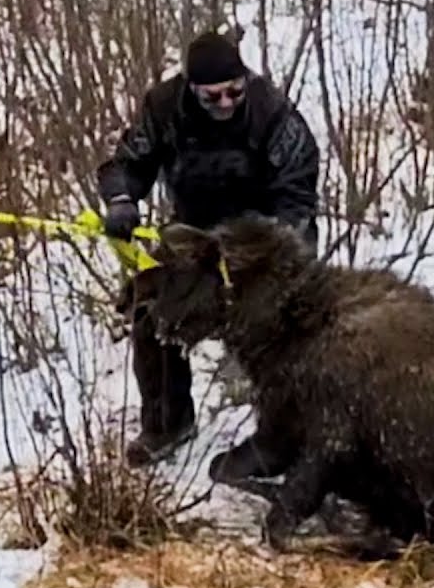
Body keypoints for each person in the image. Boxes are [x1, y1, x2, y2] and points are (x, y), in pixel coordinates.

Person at [96, 29, 321, 467]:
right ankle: (167, 423)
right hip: (193, 237)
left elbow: (298, 196)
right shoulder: (163, 108)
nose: (225, 103)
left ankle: (288, 436)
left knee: (290, 330)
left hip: (262, 243)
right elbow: (126, 163)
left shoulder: (274, 115)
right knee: (150, 308)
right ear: (191, 89)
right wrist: (121, 200)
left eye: (234, 92)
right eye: (212, 96)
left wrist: (272, 252)